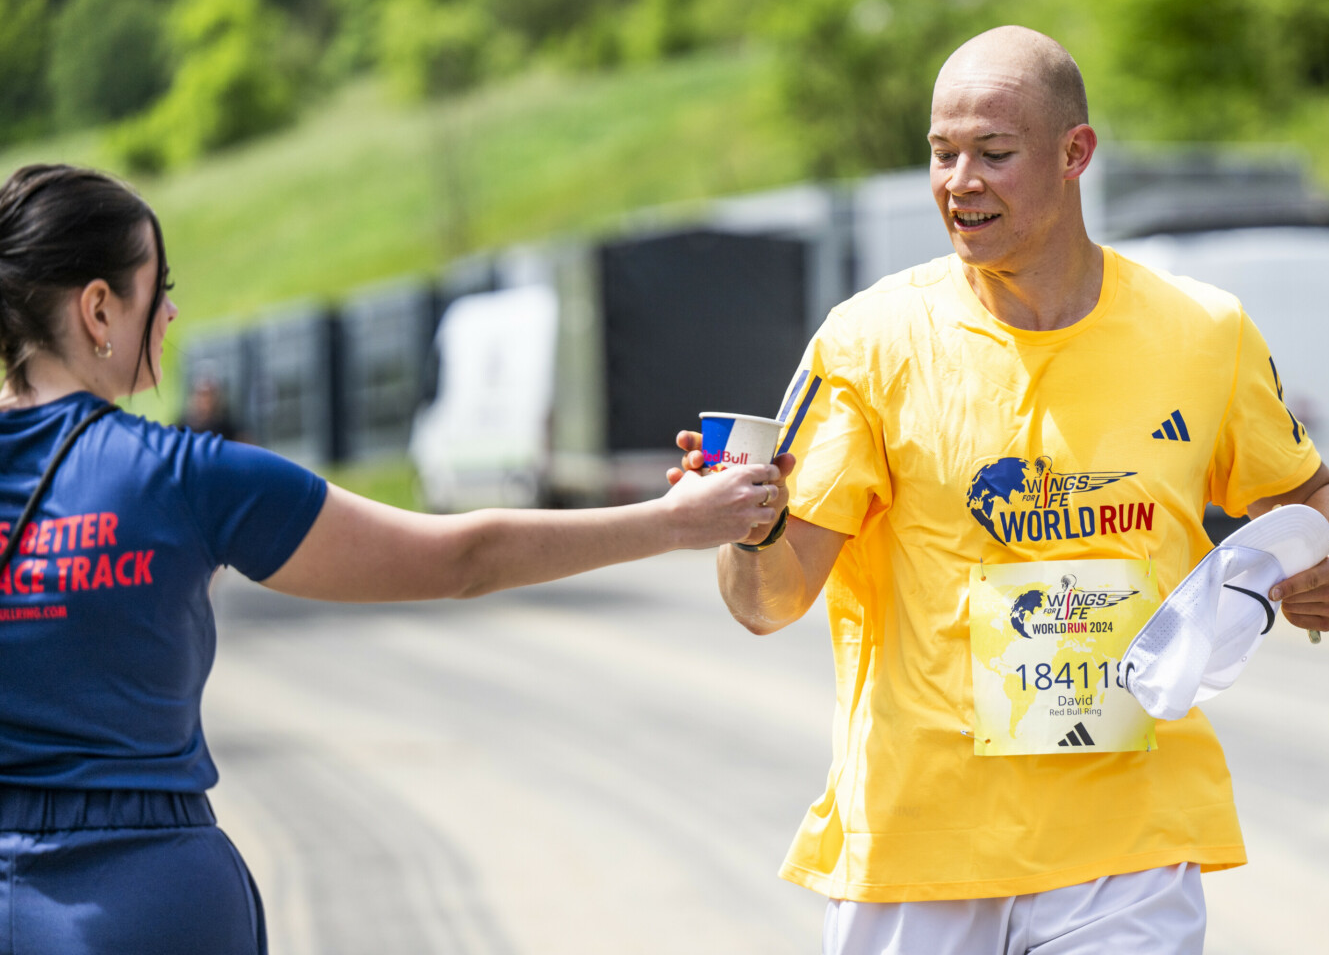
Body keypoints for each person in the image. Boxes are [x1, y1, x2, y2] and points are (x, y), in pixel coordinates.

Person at [671, 25, 1329, 955]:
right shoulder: (868, 343)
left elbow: (1318, 497)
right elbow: (768, 603)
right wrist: (748, 529)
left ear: (1075, 153)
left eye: (993, 153)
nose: (959, 182)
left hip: (1129, 845)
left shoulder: (1203, 332)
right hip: (922, 848)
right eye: (942, 153)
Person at [0, 163, 784, 954]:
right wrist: (675, 522)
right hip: (148, 899)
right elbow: (462, 558)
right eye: (158, 286)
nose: (170, 311)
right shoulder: (183, 475)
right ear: (98, 308)